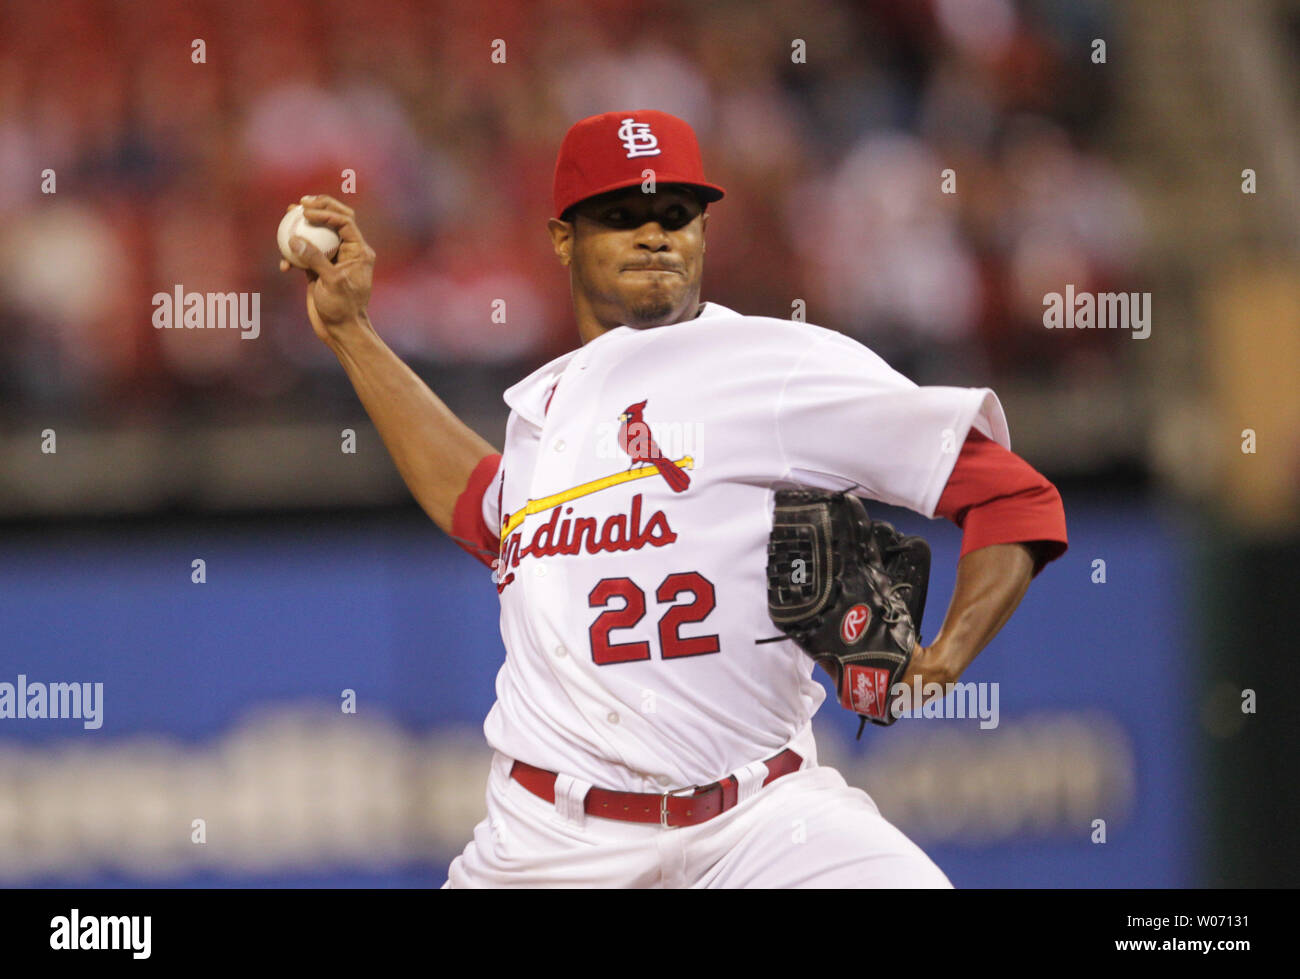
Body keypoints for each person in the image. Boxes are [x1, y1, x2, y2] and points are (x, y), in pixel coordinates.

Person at [281, 110, 1068, 888]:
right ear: (563, 238)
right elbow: (483, 506)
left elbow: (1014, 496)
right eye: (622, 217)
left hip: (765, 825)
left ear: (703, 233)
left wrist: (943, 660)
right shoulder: (544, 413)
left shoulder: (775, 363)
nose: (654, 235)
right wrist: (353, 333)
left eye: (675, 215)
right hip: (548, 846)